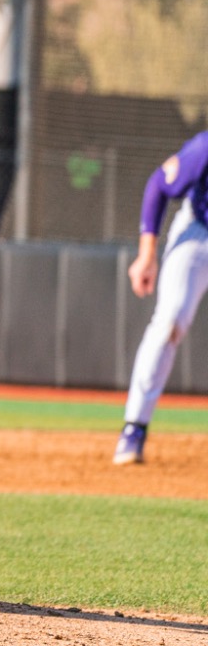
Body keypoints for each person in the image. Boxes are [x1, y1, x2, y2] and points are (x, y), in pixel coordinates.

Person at [114, 132, 208, 464]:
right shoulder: (205, 148)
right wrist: (147, 254)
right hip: (199, 234)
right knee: (170, 319)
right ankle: (134, 428)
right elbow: (159, 183)